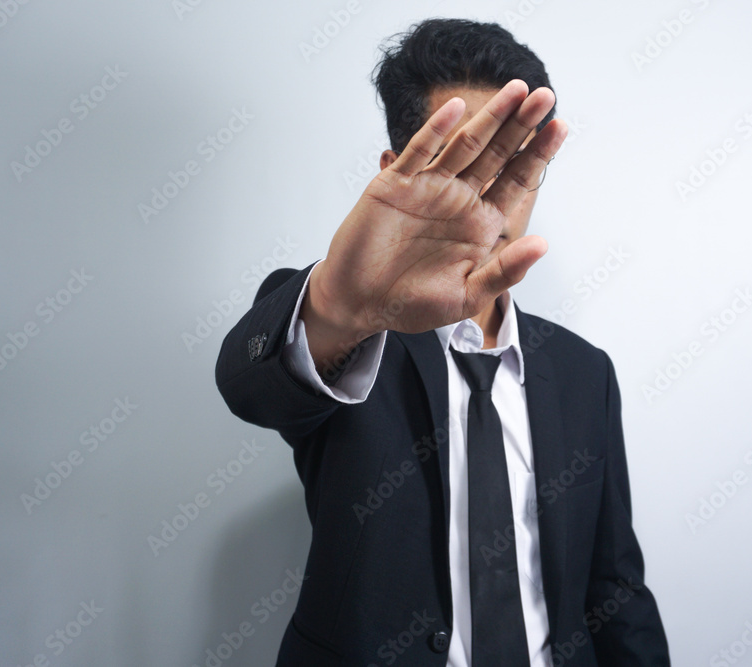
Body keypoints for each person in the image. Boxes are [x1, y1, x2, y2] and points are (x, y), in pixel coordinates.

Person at [216, 17, 670, 667]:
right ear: (390, 177)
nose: (482, 195)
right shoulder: (345, 329)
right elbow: (251, 386)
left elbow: (616, 586)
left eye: (508, 162)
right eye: (457, 161)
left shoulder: (583, 372)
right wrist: (343, 307)